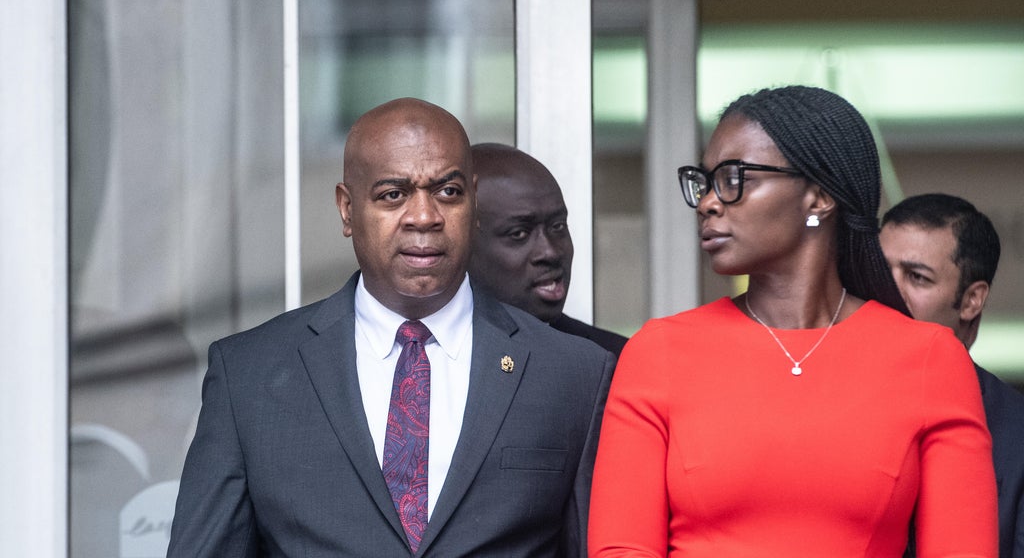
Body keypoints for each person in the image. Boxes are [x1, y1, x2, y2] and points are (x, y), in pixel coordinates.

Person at [167, 98, 615, 557]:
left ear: (474, 203)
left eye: (448, 192)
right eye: (393, 195)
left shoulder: (572, 374)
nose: (425, 217)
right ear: (347, 209)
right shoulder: (250, 376)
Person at [588, 85, 997, 557]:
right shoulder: (657, 353)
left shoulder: (929, 359)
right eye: (705, 183)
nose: (708, 203)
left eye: (734, 177)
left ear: (818, 197)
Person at [881, 193, 1024, 558]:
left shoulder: (1017, 434)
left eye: (917, 277)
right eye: (881, 272)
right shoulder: (825, 401)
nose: (886, 293)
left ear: (972, 300)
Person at [468, 142, 629, 357]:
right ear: (462, 245)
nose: (550, 252)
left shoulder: (611, 362)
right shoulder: (427, 359)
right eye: (519, 234)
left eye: (557, 227)